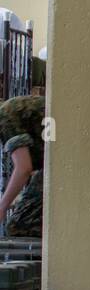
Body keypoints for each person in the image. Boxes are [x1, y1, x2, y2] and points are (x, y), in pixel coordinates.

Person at [0, 94, 46, 238]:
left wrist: (2, 208)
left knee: (19, 226)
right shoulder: (10, 109)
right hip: (58, 163)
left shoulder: (5, 117)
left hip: (62, 163)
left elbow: (23, 168)